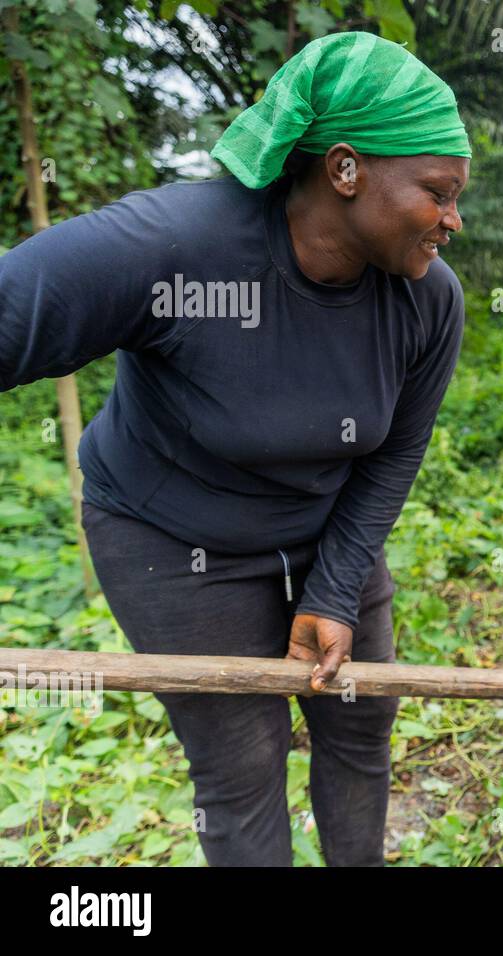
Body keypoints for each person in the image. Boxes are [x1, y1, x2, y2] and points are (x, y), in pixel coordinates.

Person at [0, 30, 472, 866]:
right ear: (345, 168)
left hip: (329, 526)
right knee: (243, 769)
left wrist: (332, 590)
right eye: (436, 191)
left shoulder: (427, 301)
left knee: (360, 724)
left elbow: (394, 454)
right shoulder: (173, 247)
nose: (452, 220)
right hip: (172, 540)